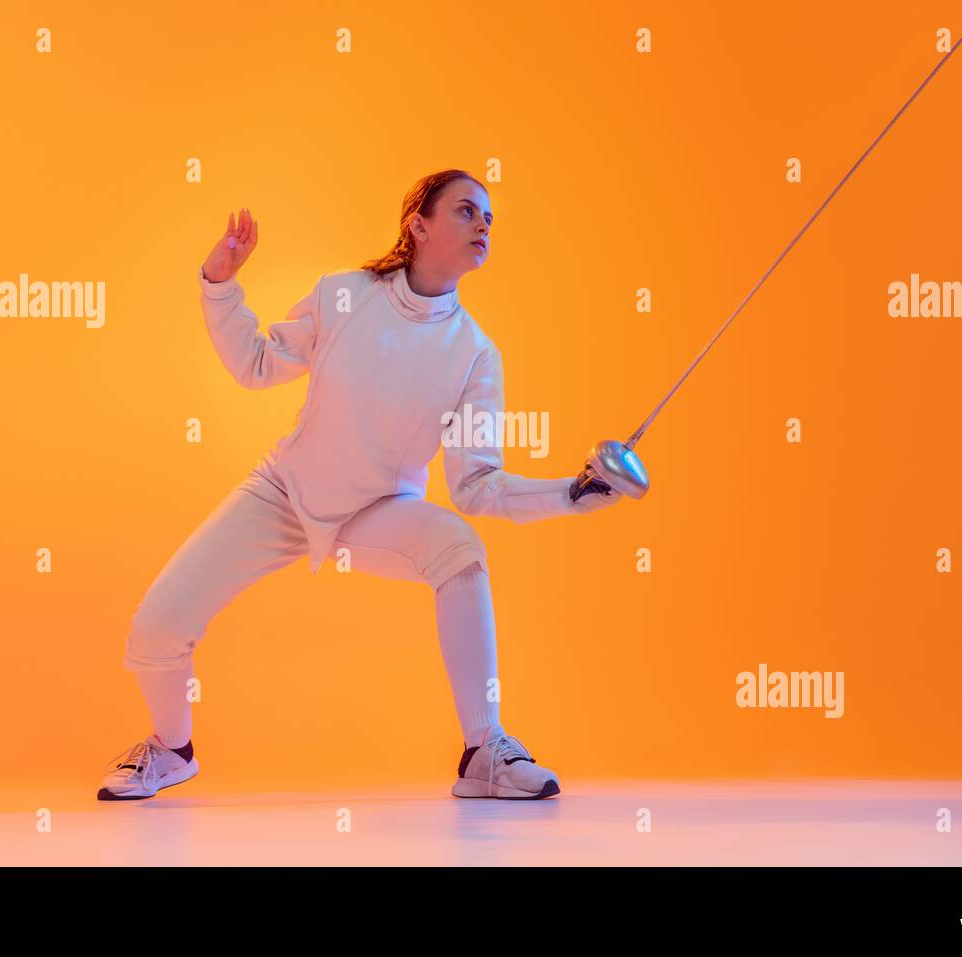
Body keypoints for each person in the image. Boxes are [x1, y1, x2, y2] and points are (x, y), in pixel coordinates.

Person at [97, 169, 624, 802]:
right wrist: (220, 284)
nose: (483, 225)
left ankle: (485, 750)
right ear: (418, 224)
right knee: (156, 626)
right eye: (465, 211)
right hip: (283, 493)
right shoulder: (343, 294)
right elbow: (258, 364)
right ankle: (172, 749)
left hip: (378, 511)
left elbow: (476, 486)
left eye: (489, 218)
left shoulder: (477, 353)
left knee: (459, 546)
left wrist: (569, 493)